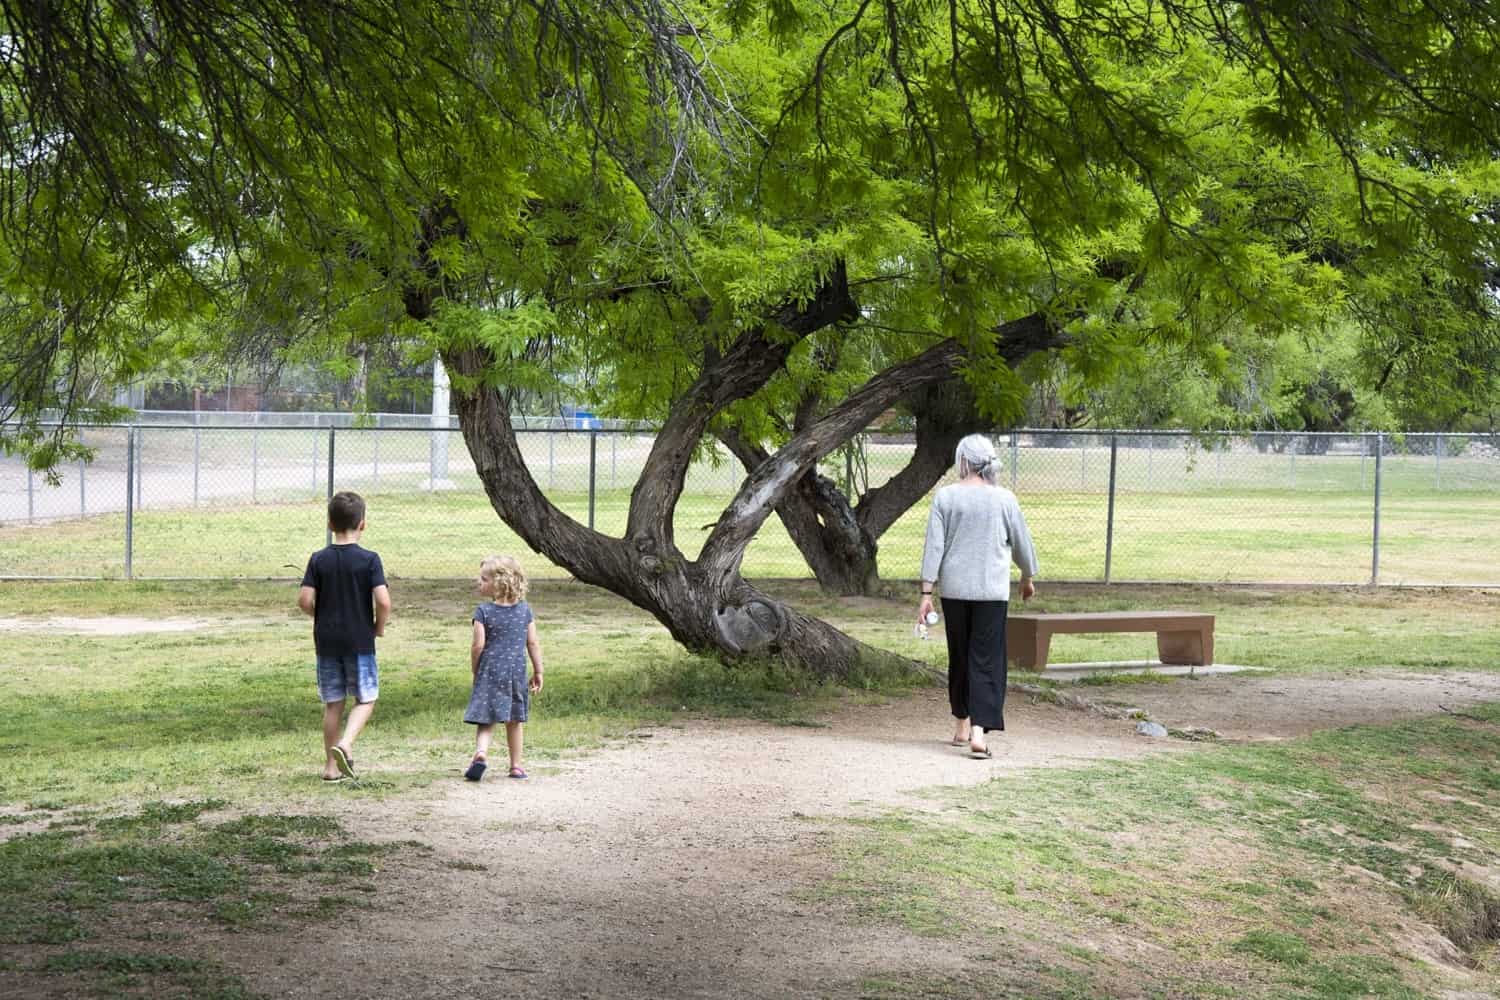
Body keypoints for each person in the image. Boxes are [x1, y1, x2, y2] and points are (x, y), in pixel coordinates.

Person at [918, 434, 1038, 758]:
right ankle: (978, 732)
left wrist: (926, 592)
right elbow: (1022, 545)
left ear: (963, 462)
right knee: (986, 659)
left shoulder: (945, 498)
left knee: (959, 654)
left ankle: (960, 724)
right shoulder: (1005, 500)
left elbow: (934, 547)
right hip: (991, 592)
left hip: (954, 591)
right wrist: (1027, 578)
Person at [298, 491, 391, 782]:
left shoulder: (318, 559)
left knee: (333, 703)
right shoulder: (369, 560)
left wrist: (319, 615)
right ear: (362, 524)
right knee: (366, 698)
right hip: (359, 641)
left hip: (326, 642)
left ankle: (329, 767)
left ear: (329, 523)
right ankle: (346, 743)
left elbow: (303, 600)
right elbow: (384, 601)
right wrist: (379, 626)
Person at [463, 555, 544, 782]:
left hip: (490, 671)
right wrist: (538, 671)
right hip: (516, 672)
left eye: (483, 579)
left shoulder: (483, 612)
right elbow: (533, 643)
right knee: (514, 720)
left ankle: (480, 753)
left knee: (486, 718)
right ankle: (516, 766)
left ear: (498, 583)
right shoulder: (525, 610)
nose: (478, 582)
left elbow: (478, 645)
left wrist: (476, 669)